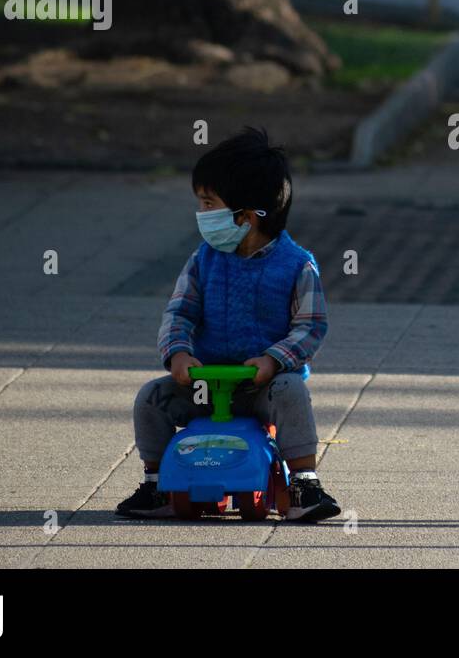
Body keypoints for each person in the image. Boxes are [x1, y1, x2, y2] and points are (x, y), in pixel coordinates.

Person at [116, 127, 340, 522]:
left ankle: (304, 483)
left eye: (208, 204)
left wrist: (273, 360)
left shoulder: (296, 265)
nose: (201, 214)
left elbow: (311, 326)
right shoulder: (204, 260)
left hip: (261, 387)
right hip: (203, 384)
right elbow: (179, 312)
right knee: (151, 398)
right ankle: (156, 483)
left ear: (246, 217)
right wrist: (179, 354)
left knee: (292, 393)